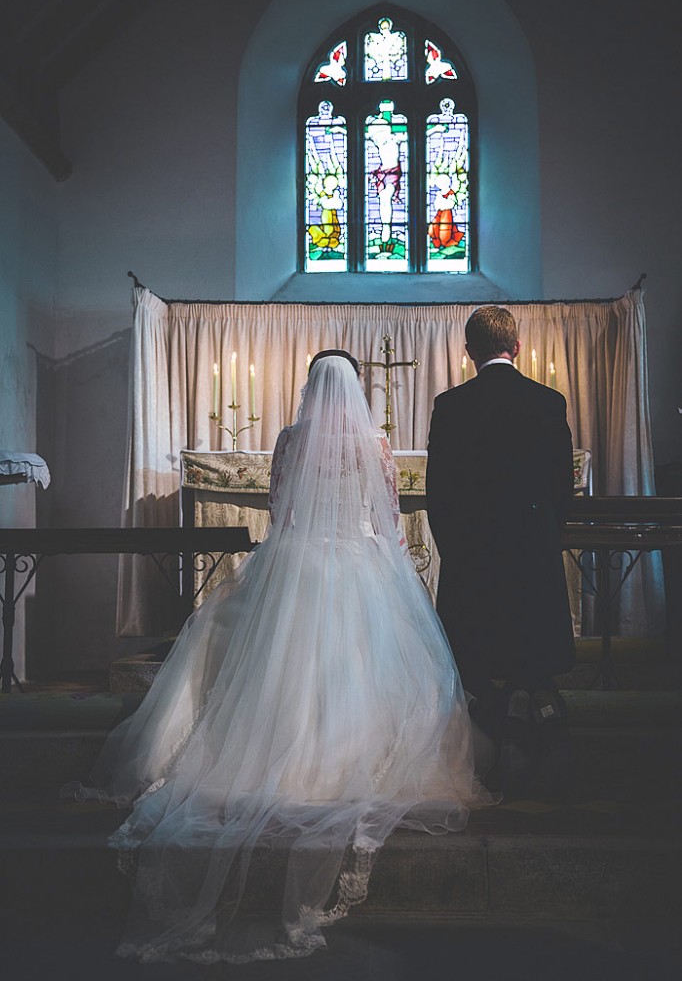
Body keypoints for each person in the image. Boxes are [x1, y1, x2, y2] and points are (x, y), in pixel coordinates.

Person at [68, 350, 492, 964]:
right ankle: (349, 758)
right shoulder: (373, 444)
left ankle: (265, 756)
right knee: (374, 662)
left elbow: (281, 514)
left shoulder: (292, 440)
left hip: (299, 558)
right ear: (354, 392)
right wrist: (393, 566)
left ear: (309, 390)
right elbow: (388, 518)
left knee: (265, 651)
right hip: (361, 560)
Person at [426, 307, 575, 793]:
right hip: (531, 557)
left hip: (473, 561)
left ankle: (490, 735)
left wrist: (456, 552)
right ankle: (532, 721)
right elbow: (561, 490)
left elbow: (438, 495)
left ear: (469, 352)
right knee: (526, 649)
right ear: (518, 347)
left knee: (476, 656)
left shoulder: (450, 405)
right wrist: (544, 538)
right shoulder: (549, 402)